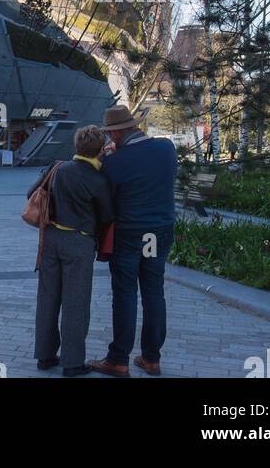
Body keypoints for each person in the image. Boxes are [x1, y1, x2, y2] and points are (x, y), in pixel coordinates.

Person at [90, 105, 178, 378]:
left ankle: (118, 360)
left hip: (129, 234)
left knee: (125, 294)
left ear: (117, 134)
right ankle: (151, 358)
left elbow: (107, 200)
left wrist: (109, 158)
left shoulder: (113, 163)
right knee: (154, 293)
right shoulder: (167, 148)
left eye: (111, 135)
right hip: (159, 231)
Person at [29, 126, 113, 377]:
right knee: (76, 303)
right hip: (79, 242)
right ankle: (73, 362)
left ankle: (45, 356)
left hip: (49, 239)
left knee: (47, 298)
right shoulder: (98, 179)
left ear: (76, 146)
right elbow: (107, 215)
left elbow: (32, 193)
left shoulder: (58, 168)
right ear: (100, 150)